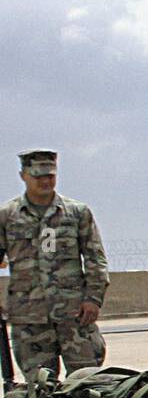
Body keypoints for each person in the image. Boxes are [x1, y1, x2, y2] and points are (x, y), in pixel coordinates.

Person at [0, 150, 109, 379]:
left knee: (87, 384)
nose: (45, 181)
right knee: (40, 391)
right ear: (23, 176)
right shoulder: (7, 216)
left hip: (75, 316)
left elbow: (95, 259)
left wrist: (93, 299)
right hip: (29, 320)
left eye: (50, 175)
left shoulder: (76, 213)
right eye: (38, 175)